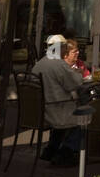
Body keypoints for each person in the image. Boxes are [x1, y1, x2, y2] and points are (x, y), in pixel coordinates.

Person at [32, 37, 86, 166]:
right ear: (60, 48)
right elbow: (75, 83)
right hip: (56, 107)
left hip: (42, 109)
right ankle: (66, 151)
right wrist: (77, 73)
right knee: (84, 115)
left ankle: (52, 148)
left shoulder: (39, 64)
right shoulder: (58, 64)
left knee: (67, 113)